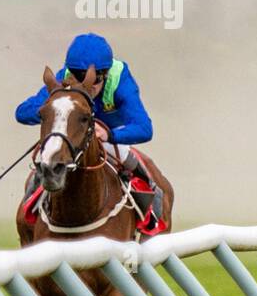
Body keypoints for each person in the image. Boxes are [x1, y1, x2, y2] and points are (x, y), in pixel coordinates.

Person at [14, 32, 162, 222]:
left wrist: (110, 135)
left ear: (105, 74)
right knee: (45, 161)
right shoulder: (63, 78)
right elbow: (22, 112)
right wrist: (55, 111)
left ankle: (153, 203)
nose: (85, 84)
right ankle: (29, 213)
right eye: (77, 76)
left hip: (108, 136)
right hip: (73, 135)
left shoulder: (121, 80)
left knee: (124, 155)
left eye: (93, 79)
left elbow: (144, 128)